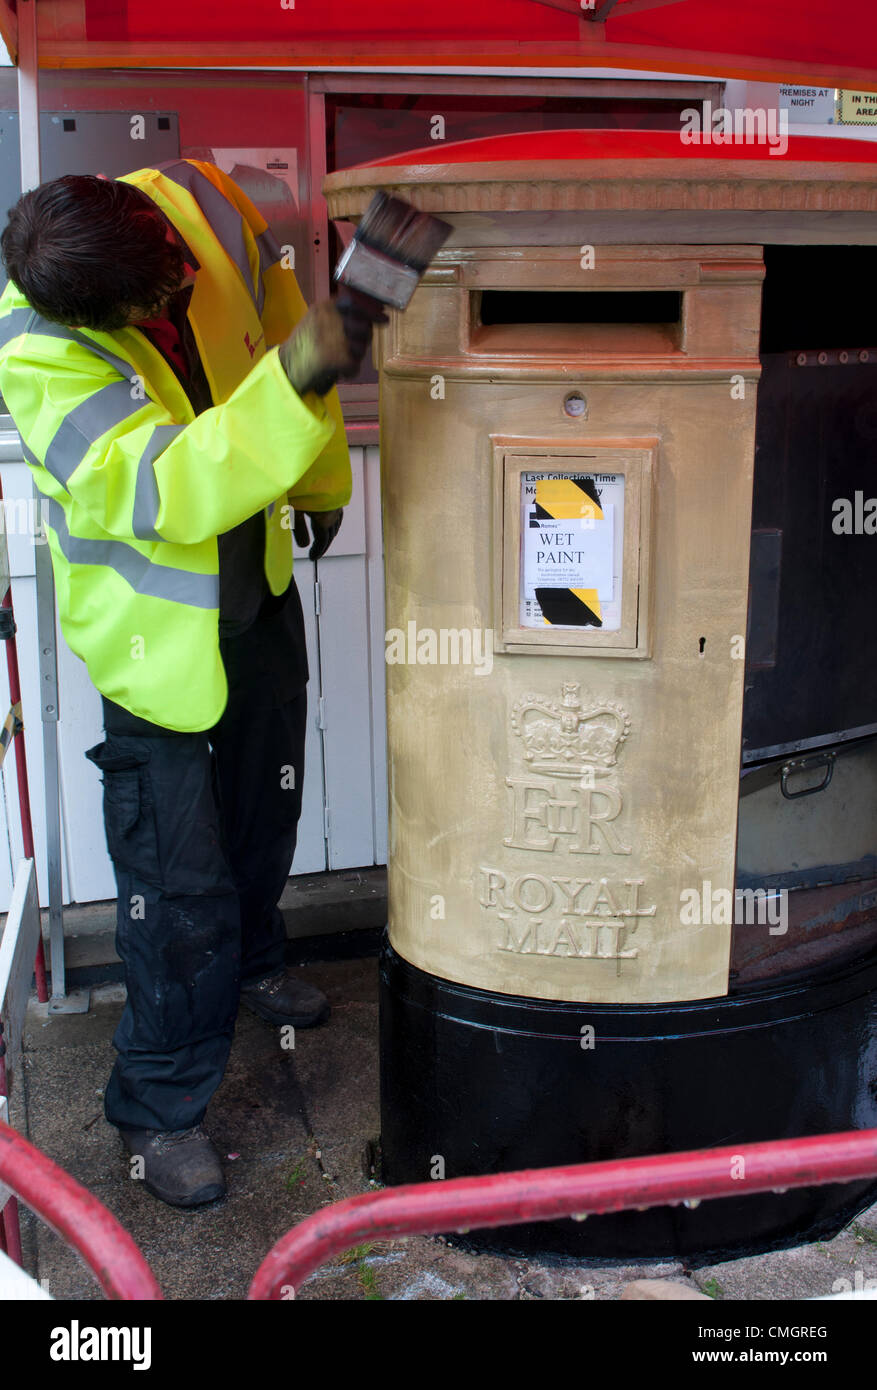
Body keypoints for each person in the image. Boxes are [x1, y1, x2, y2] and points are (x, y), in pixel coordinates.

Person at [0, 159, 384, 1207]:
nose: (180, 284)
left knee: (265, 815)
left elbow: (269, 318)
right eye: (154, 298)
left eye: (172, 265)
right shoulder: (39, 355)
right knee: (177, 890)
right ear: (98, 317)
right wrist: (327, 350)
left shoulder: (200, 198)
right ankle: (159, 1107)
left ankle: (257, 964)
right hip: (156, 648)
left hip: (253, 595)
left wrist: (316, 478)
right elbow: (175, 480)